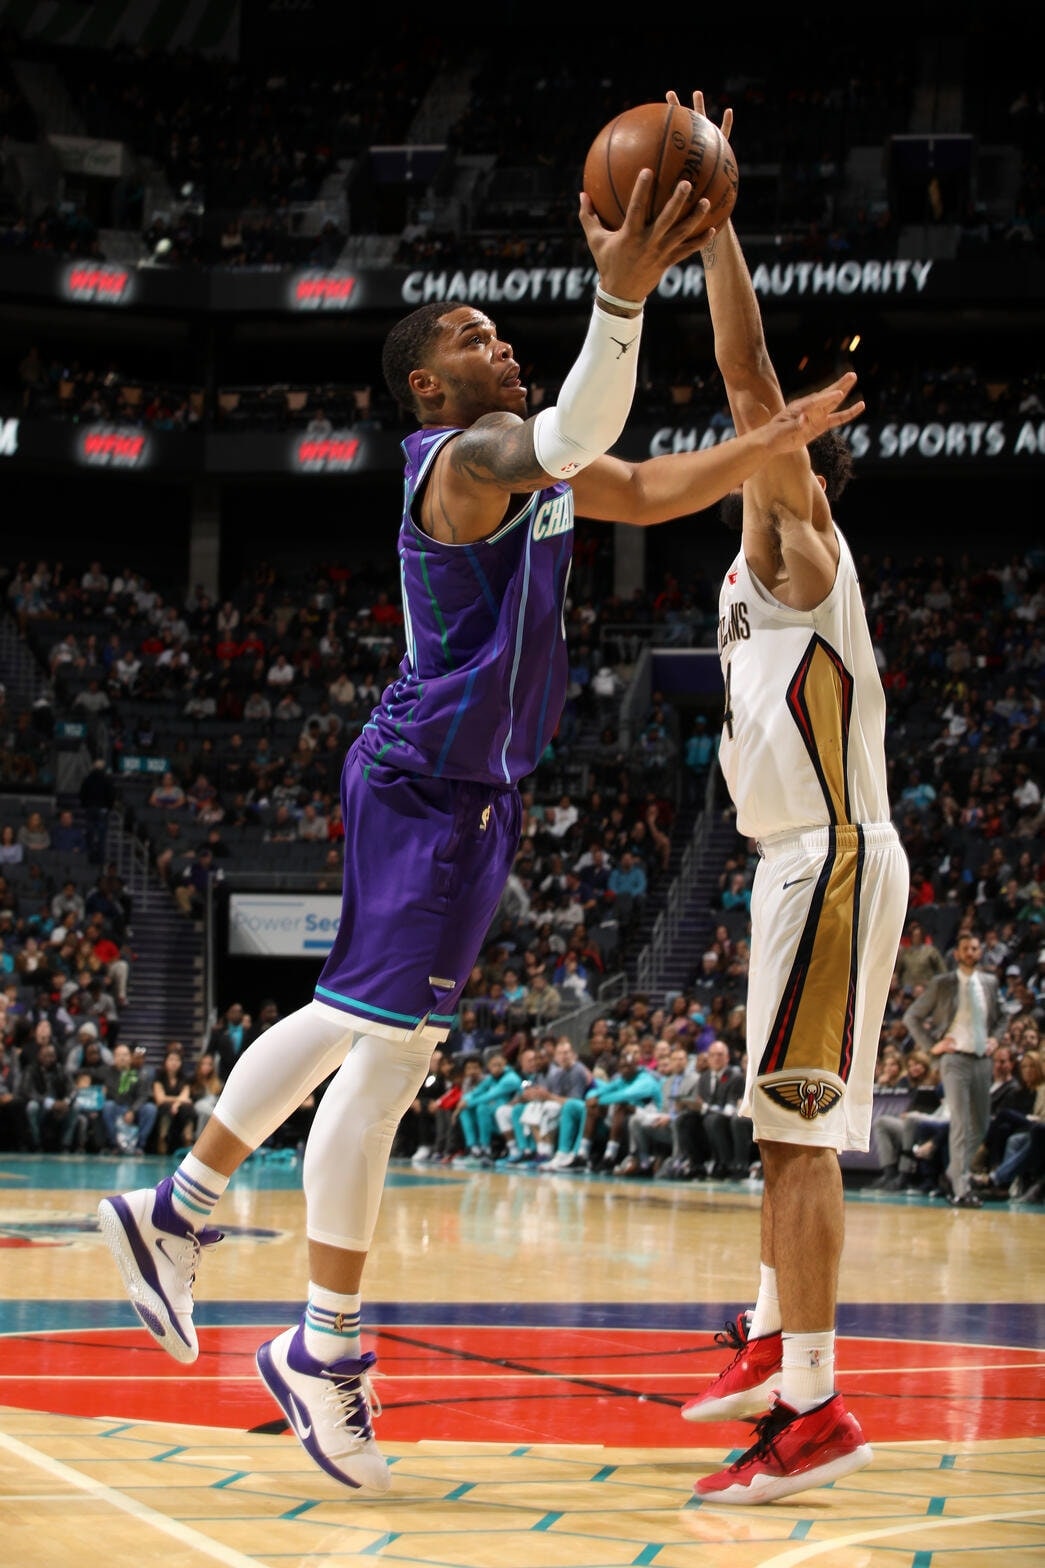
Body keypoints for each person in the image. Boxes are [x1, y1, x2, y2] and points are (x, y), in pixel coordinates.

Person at [97, 142, 864, 1497]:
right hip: (426, 784)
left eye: (504, 328)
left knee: (376, 1052)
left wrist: (766, 444)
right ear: (429, 385)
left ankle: (204, 1237)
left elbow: (633, 482)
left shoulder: (537, 477)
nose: (497, 342)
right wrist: (618, 303)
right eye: (474, 334)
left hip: (472, 792)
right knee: (371, 1045)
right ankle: (255, 1290)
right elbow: (574, 435)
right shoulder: (463, 455)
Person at [672, 92, 909, 1507]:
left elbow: (751, 383)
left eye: (787, 456)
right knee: (776, 1129)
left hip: (825, 857)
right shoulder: (746, 574)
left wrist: (717, 229)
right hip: (790, 858)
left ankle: (813, 1407)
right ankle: (770, 1343)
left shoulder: (801, 546)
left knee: (797, 1135)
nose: (764, 455)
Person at [902, 930, 1003, 1206]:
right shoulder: (942, 983)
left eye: (974, 948)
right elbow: (912, 1016)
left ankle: (954, 1170)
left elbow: (1003, 1016)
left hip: (982, 1058)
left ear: (979, 951)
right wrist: (933, 1046)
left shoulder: (990, 983)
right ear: (957, 954)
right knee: (960, 1121)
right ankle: (961, 1187)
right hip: (954, 1059)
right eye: (966, 949)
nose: (971, 952)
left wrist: (997, 1037)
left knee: (981, 1124)